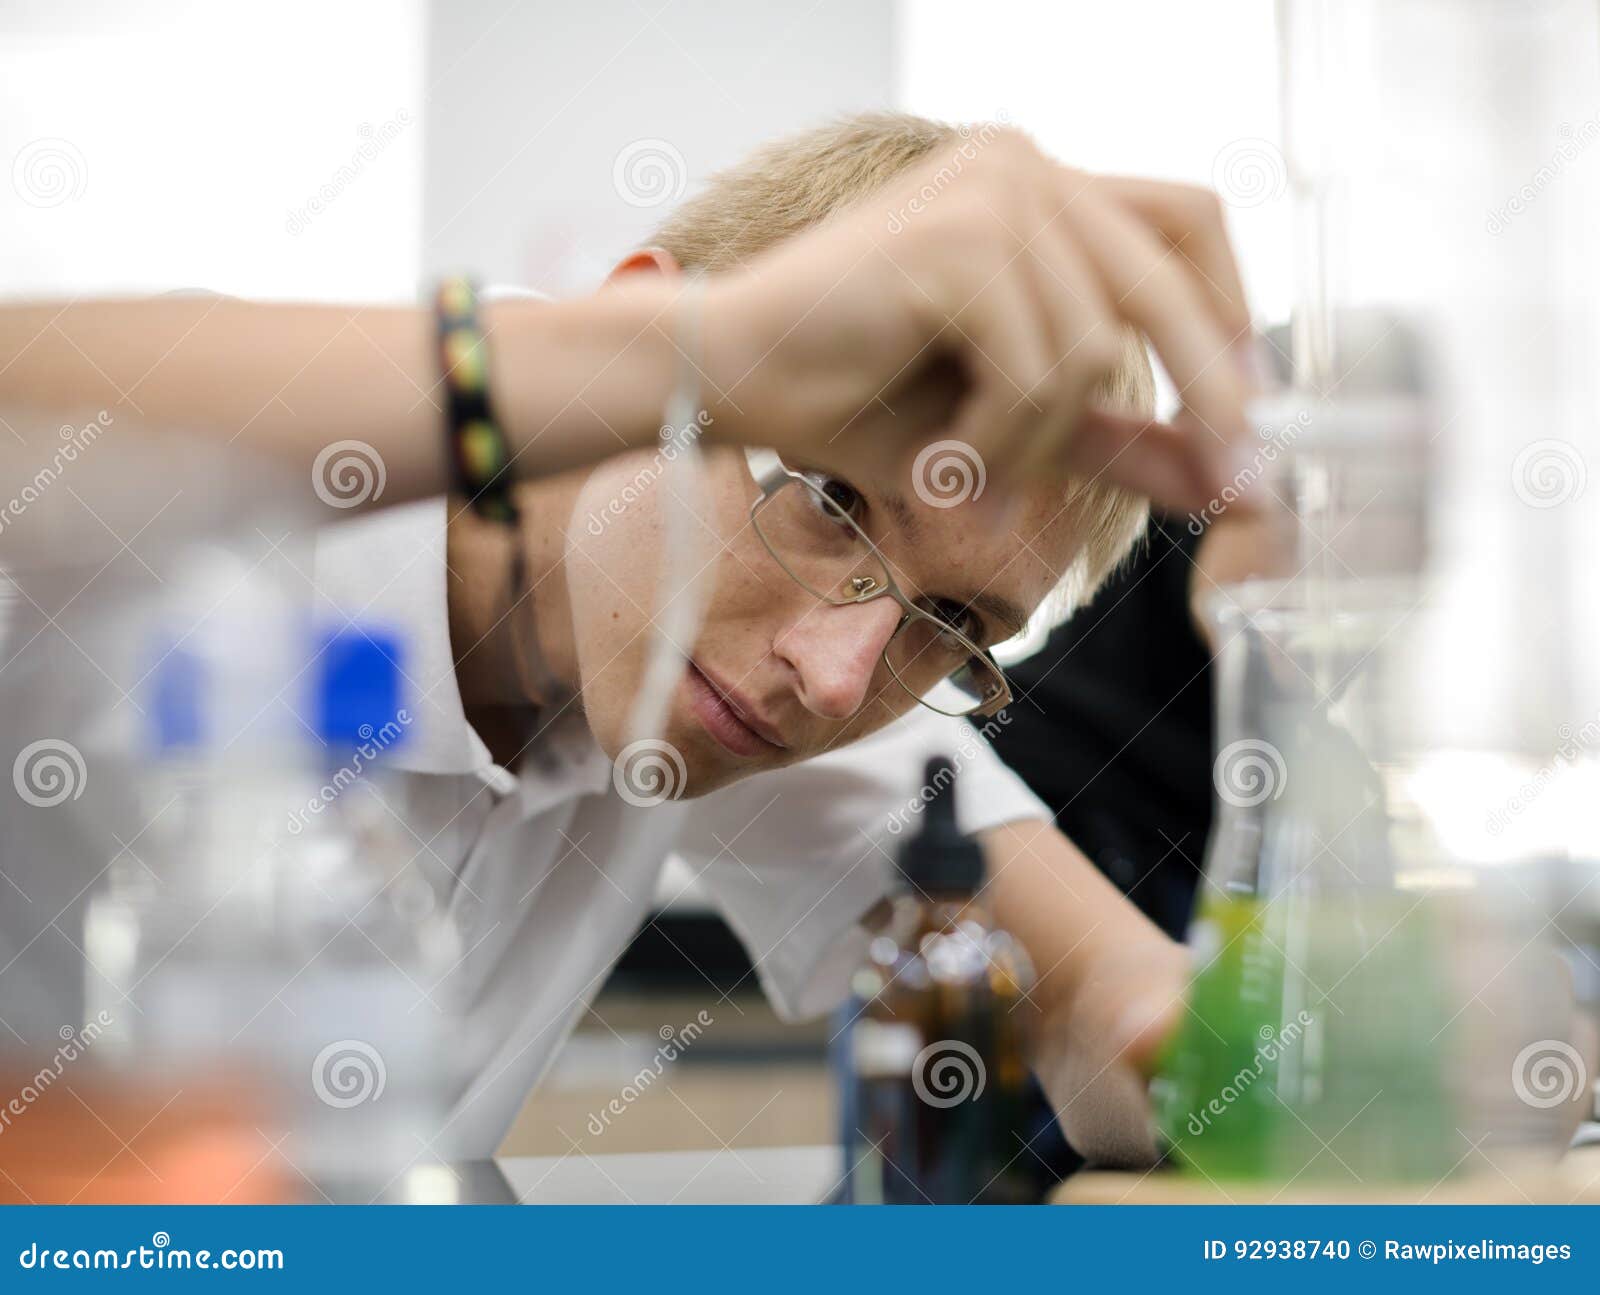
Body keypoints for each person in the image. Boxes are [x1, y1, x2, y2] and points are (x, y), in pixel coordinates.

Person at [0, 113, 1262, 1169]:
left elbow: (1111, 1005)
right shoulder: (191, 500)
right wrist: (669, 359)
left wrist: (1281, 655)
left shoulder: (740, 681)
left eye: (950, 626)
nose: (832, 677)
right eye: (828, 500)